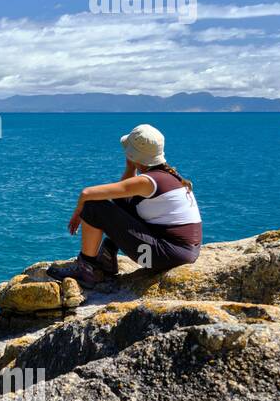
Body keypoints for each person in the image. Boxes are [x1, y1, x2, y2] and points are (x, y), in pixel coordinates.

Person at [48, 123, 202, 287]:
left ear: (133, 154)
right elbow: (122, 198)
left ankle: (86, 268)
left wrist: (79, 212)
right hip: (179, 254)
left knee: (93, 206)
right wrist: (131, 167)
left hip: (159, 259)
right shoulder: (168, 176)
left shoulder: (147, 181)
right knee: (122, 203)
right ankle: (107, 257)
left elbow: (87, 193)